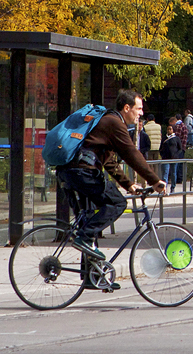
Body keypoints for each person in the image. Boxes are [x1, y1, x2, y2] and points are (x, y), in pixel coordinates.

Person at [56, 89, 166, 261]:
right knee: (117, 203)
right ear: (127, 107)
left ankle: (91, 277)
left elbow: (107, 161)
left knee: (88, 221)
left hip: (70, 172)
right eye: (139, 108)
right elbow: (131, 153)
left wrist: (128, 184)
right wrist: (154, 181)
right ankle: (84, 238)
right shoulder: (115, 123)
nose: (141, 113)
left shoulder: (106, 122)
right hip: (83, 173)